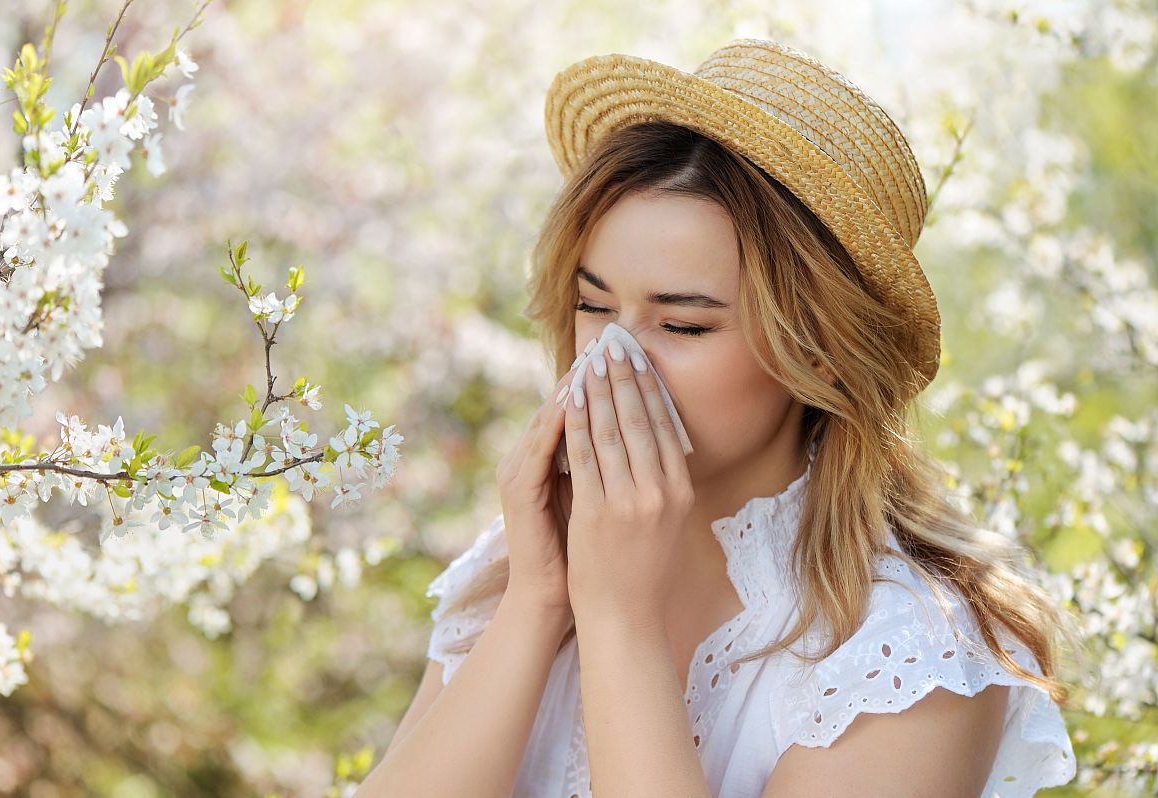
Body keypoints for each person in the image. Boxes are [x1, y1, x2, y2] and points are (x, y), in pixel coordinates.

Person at [357, 39, 1076, 798]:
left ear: (821, 353)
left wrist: (621, 621)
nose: (611, 361)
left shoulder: (910, 654)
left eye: (684, 326)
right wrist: (539, 600)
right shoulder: (518, 569)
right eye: (594, 306)